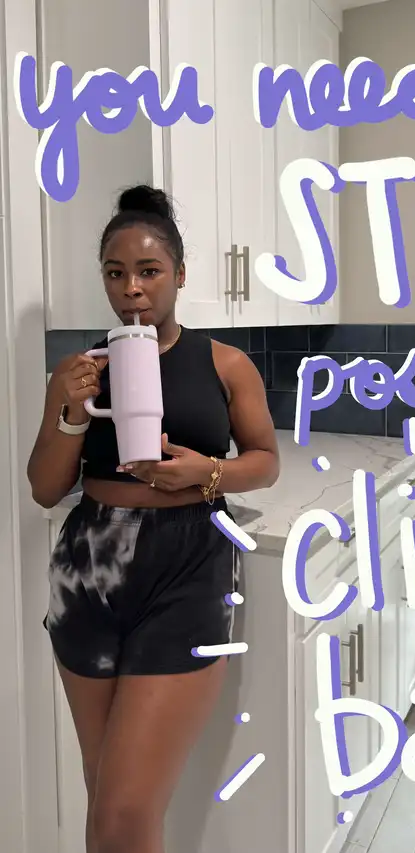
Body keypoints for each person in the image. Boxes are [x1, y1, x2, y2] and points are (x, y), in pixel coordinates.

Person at [28, 185, 280, 853]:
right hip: (88, 570)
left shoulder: (225, 363)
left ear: (180, 274)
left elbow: (265, 461)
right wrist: (70, 410)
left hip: (189, 565)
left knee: (124, 811)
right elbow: (45, 488)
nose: (131, 288)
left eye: (149, 271)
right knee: (105, 797)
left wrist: (206, 473)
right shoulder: (81, 372)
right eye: (115, 273)